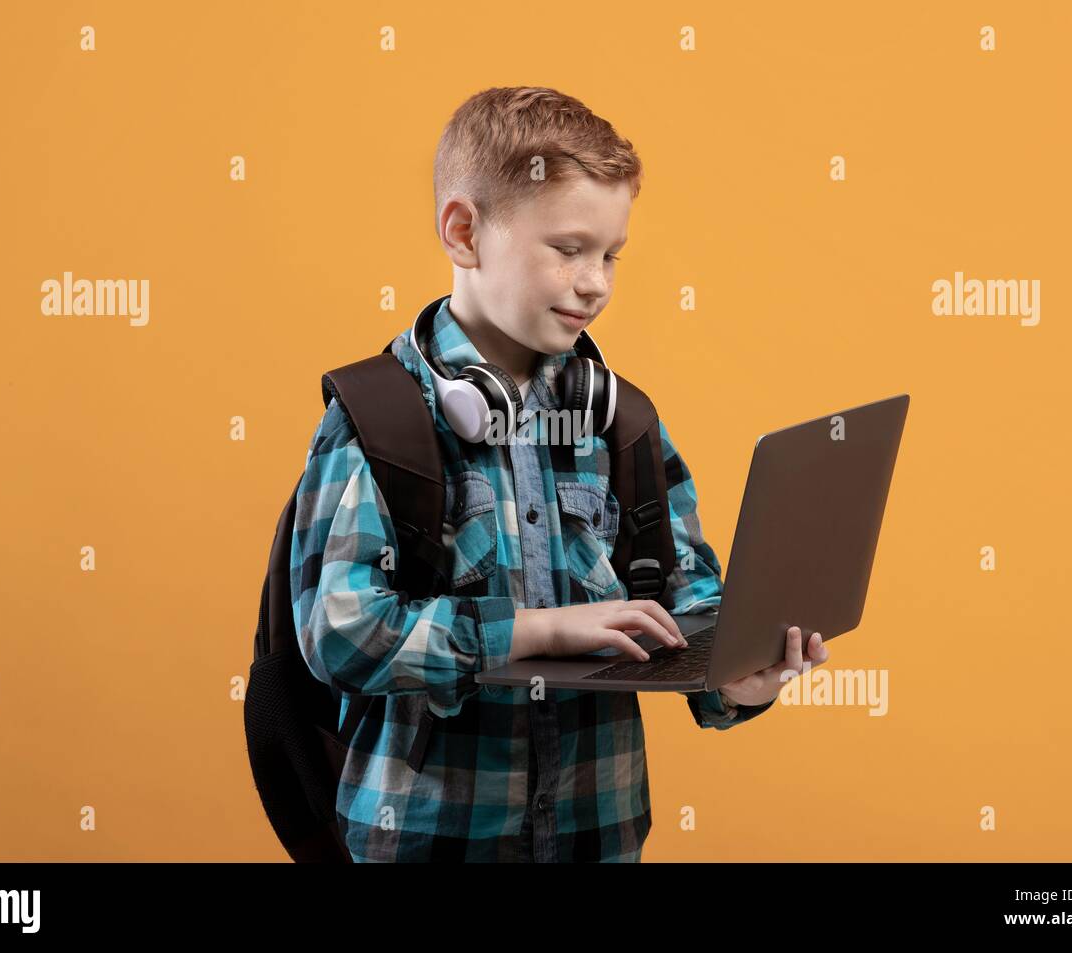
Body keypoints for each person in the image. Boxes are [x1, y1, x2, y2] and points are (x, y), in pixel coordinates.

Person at [291, 86, 829, 862]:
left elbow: (692, 606)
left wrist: (743, 676)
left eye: (610, 255)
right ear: (464, 231)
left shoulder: (626, 425)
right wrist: (538, 632)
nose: (596, 282)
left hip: (596, 836)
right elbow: (341, 633)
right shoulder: (381, 420)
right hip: (428, 843)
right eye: (569, 249)